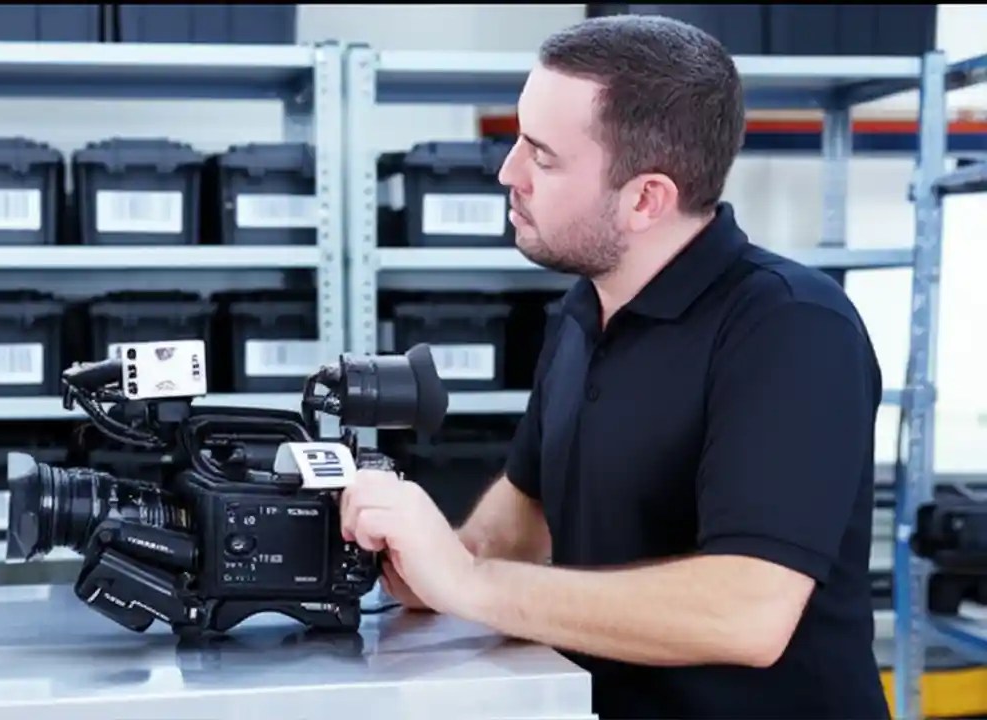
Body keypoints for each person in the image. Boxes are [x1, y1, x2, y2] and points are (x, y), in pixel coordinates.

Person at [339, 14, 891, 720]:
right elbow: (519, 515)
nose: (508, 174)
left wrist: (471, 582)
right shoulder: (583, 311)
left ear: (645, 199)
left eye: (542, 157)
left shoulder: (792, 328)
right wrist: (410, 555)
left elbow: (747, 614)